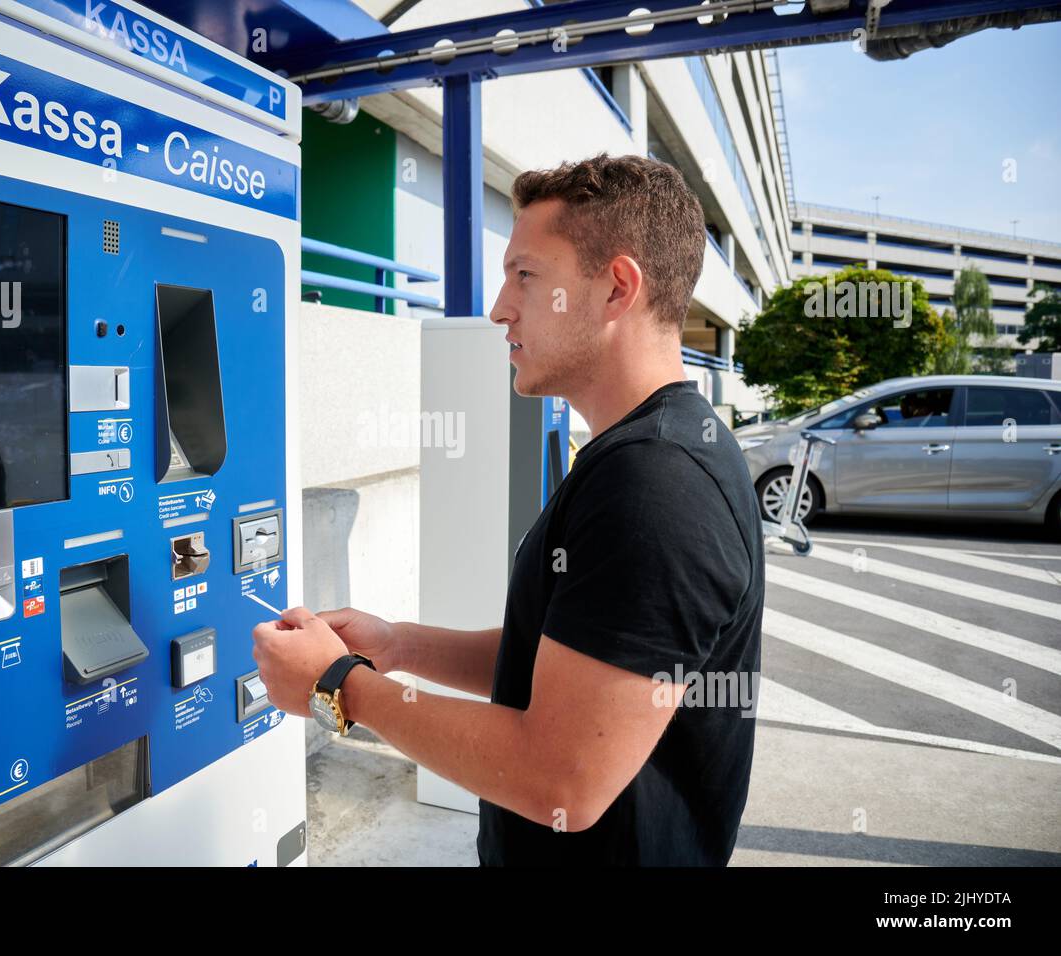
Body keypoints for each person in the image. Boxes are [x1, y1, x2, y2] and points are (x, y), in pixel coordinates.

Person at [253, 153, 765, 865]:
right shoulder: (653, 450)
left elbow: (561, 778)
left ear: (617, 288)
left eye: (526, 276)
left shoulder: (656, 485)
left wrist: (337, 687)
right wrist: (399, 645)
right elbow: (576, 658)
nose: (499, 307)